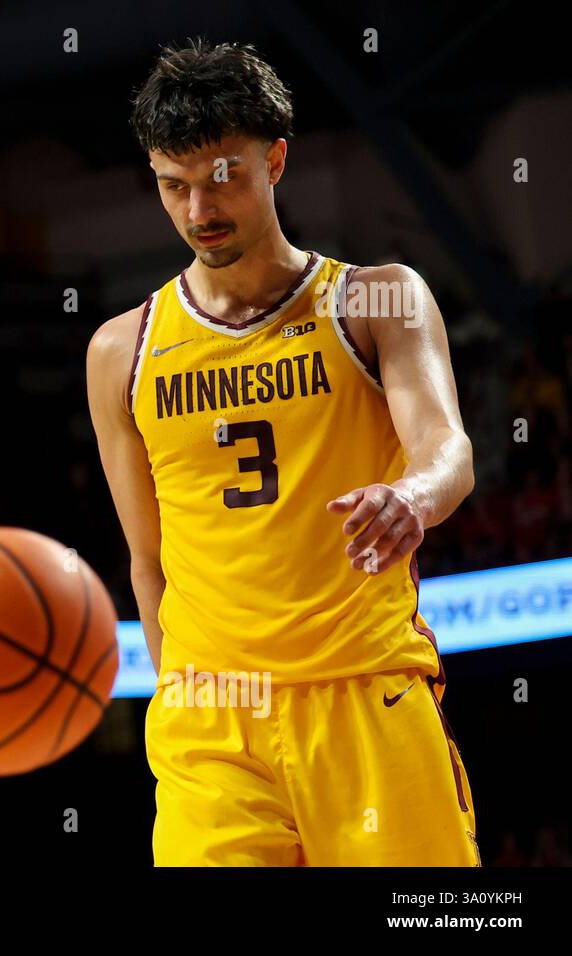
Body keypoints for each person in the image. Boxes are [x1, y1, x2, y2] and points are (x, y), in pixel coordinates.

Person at [86, 39, 478, 865]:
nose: (199, 210)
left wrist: (412, 497)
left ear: (276, 158)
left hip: (363, 691)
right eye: (173, 185)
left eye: (223, 175)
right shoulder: (122, 351)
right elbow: (147, 561)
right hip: (212, 715)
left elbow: (446, 447)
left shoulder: (376, 298)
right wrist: (181, 694)